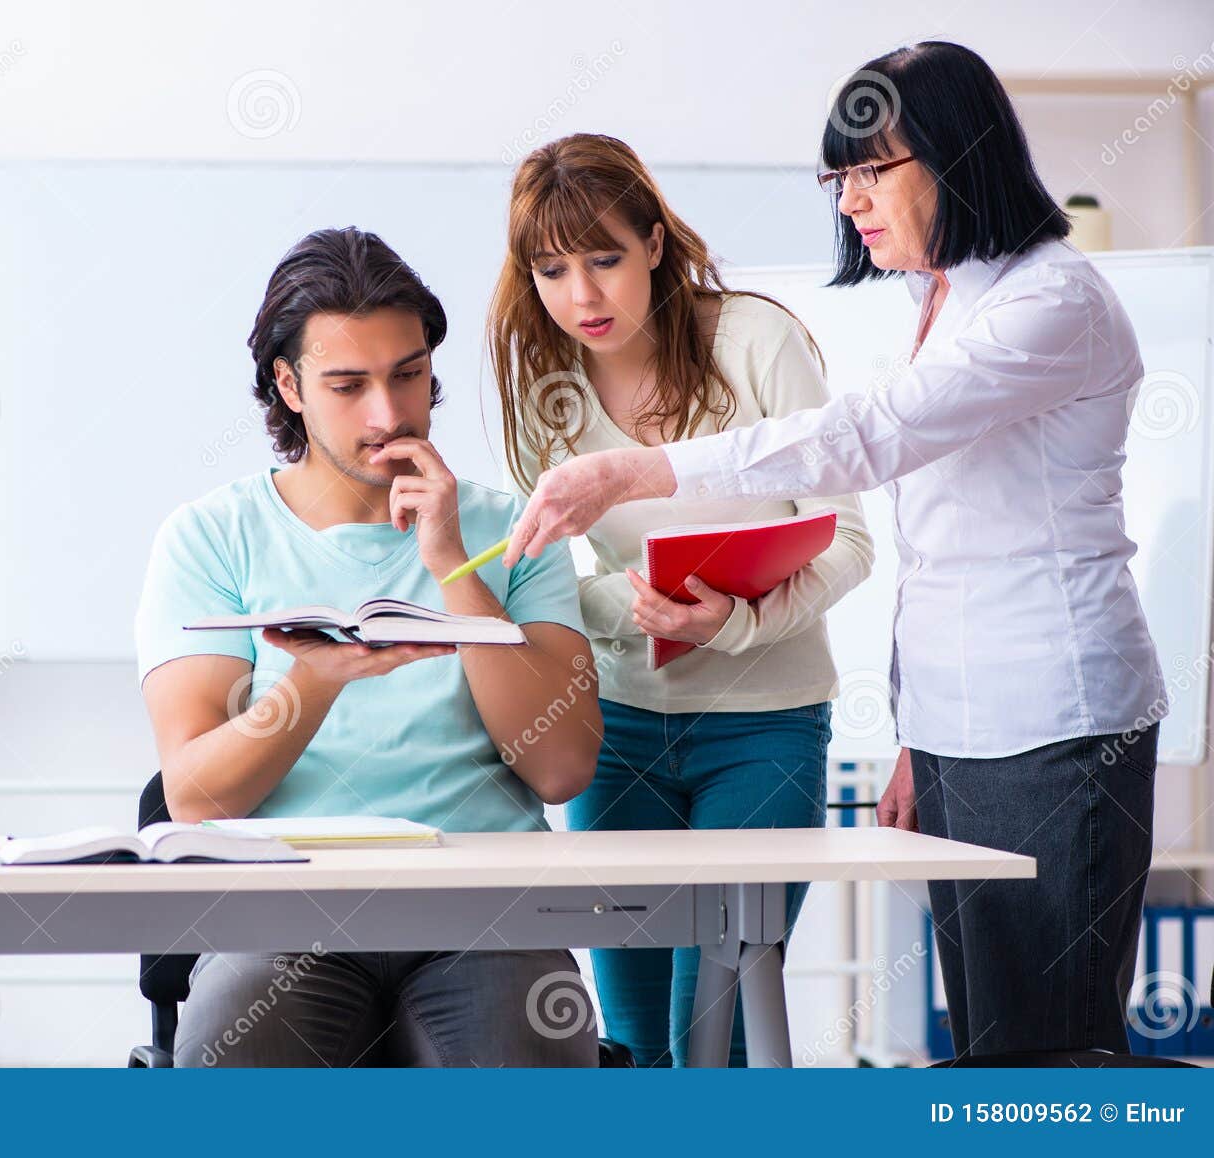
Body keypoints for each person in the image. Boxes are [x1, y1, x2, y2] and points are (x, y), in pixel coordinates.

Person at [500, 43, 1164, 1058]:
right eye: (838, 176)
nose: (849, 199)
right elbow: (948, 551)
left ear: (959, 155)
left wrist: (630, 474)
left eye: (871, 170)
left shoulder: (1049, 304)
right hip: (960, 725)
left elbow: (863, 440)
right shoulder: (939, 298)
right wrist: (919, 738)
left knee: (1051, 1050)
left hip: (1055, 717)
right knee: (988, 1045)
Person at [135, 226, 602, 1067]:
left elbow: (561, 767)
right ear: (289, 386)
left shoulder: (515, 529)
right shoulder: (209, 538)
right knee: (233, 1051)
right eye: (347, 386)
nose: (388, 416)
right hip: (282, 910)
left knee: (532, 1053)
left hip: (484, 909)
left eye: (409, 375)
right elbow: (196, 799)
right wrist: (314, 681)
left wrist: (452, 563)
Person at [488, 132, 873, 1067]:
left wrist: (734, 623)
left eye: (605, 259)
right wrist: (640, 610)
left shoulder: (754, 340)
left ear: (656, 244)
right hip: (619, 733)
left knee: (721, 1036)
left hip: (766, 729)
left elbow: (851, 541)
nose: (582, 296)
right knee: (633, 1046)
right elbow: (543, 589)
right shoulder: (549, 391)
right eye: (551, 269)